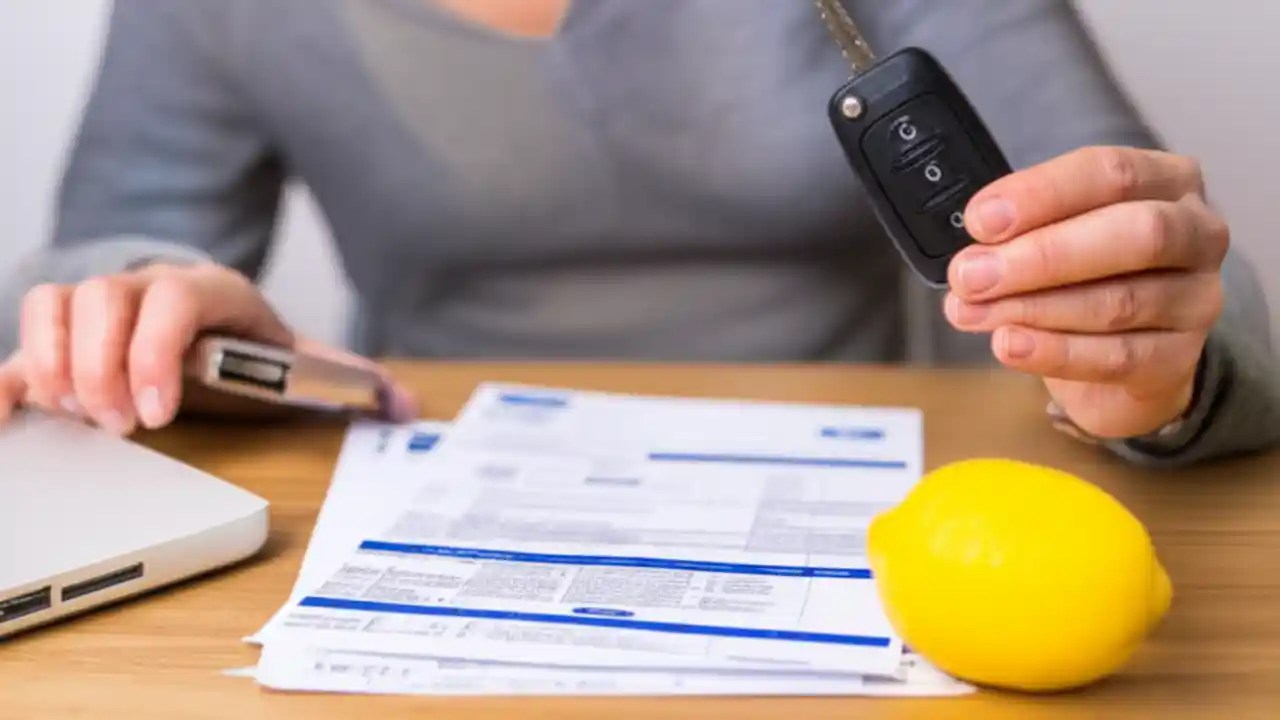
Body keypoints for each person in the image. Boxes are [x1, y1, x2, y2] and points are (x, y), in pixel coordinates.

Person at [1, 0, 1277, 467]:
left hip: (876, 512)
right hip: (423, 499)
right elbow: (96, 253)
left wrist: (1147, 363)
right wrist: (132, 300)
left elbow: (1179, 280)